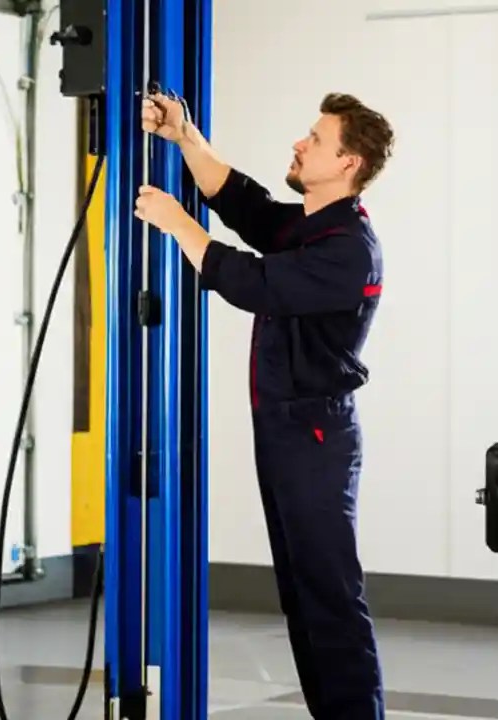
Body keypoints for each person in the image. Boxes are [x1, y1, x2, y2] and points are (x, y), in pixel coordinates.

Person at [134, 91, 395, 720]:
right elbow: (247, 207)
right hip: (286, 430)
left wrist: (178, 224)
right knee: (303, 597)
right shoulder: (314, 227)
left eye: (315, 138)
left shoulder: (348, 249)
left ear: (347, 163)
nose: (299, 144)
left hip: (315, 437)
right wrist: (185, 137)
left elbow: (252, 283)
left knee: (328, 595)